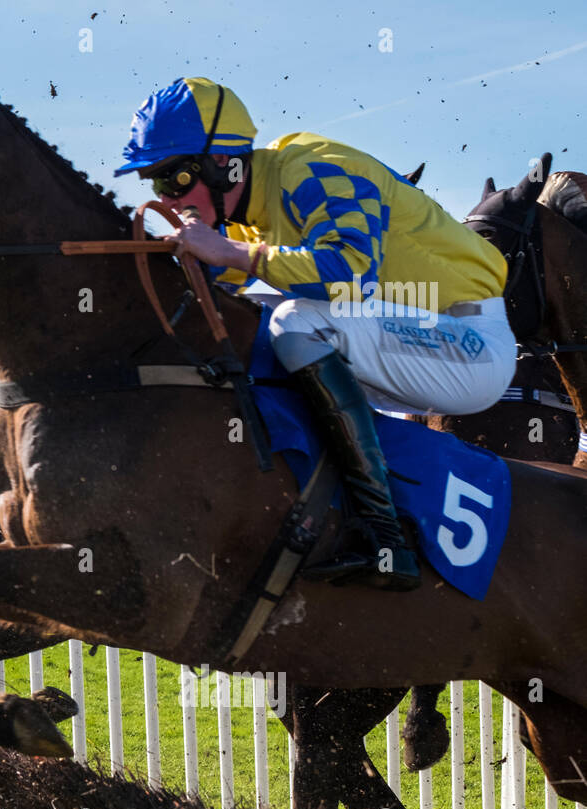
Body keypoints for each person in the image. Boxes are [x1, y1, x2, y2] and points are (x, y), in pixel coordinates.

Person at [114, 77, 515, 591]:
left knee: (293, 320)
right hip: (408, 346)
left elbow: (352, 272)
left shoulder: (313, 167)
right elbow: (206, 302)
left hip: (469, 347)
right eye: (155, 184)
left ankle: (382, 533)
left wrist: (233, 254)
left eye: (175, 179)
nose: (170, 200)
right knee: (253, 322)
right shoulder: (247, 223)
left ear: (223, 162)